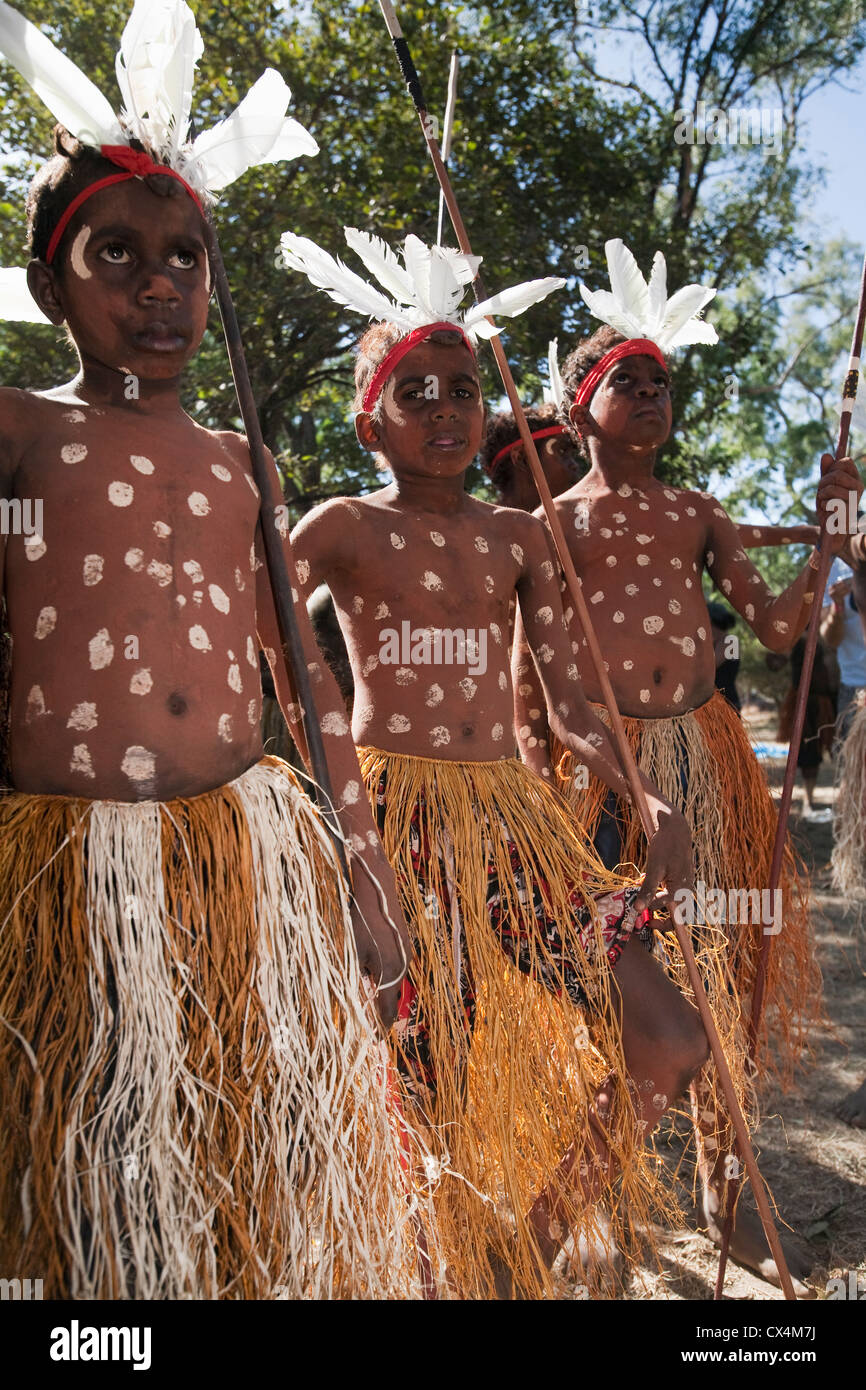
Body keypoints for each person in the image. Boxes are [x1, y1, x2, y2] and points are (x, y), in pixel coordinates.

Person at [0, 2, 428, 1300]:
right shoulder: (20, 431)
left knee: (227, 1167)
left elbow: (307, 688)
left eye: (186, 256)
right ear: (48, 285)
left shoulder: (242, 462)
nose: (158, 283)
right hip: (63, 872)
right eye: (116, 252)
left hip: (236, 858)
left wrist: (360, 868)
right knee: (81, 1190)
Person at [281, 225, 724, 1299]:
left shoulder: (515, 537)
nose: (443, 410)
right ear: (367, 416)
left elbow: (566, 706)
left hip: (513, 824)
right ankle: (426, 1268)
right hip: (390, 817)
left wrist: (640, 791)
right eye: (415, 392)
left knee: (664, 1041)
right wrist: (325, 829)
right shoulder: (335, 527)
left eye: (459, 390)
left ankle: (521, 1244)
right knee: (426, 1064)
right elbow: (270, 663)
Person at [513, 239, 862, 1289]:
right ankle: (587, 1199)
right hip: (602, 776)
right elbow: (537, 683)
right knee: (600, 988)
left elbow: (772, 629)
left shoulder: (694, 510)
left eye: (662, 384)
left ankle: (724, 1186)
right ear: (580, 409)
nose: (652, 398)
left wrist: (824, 540)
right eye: (629, 381)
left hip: (706, 757)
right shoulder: (545, 523)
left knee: (725, 965)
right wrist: (561, 774)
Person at [480, 401, 582, 509]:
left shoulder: (576, 519)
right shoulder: (482, 525)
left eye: (571, 455)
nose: (575, 465)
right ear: (522, 458)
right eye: (562, 451)